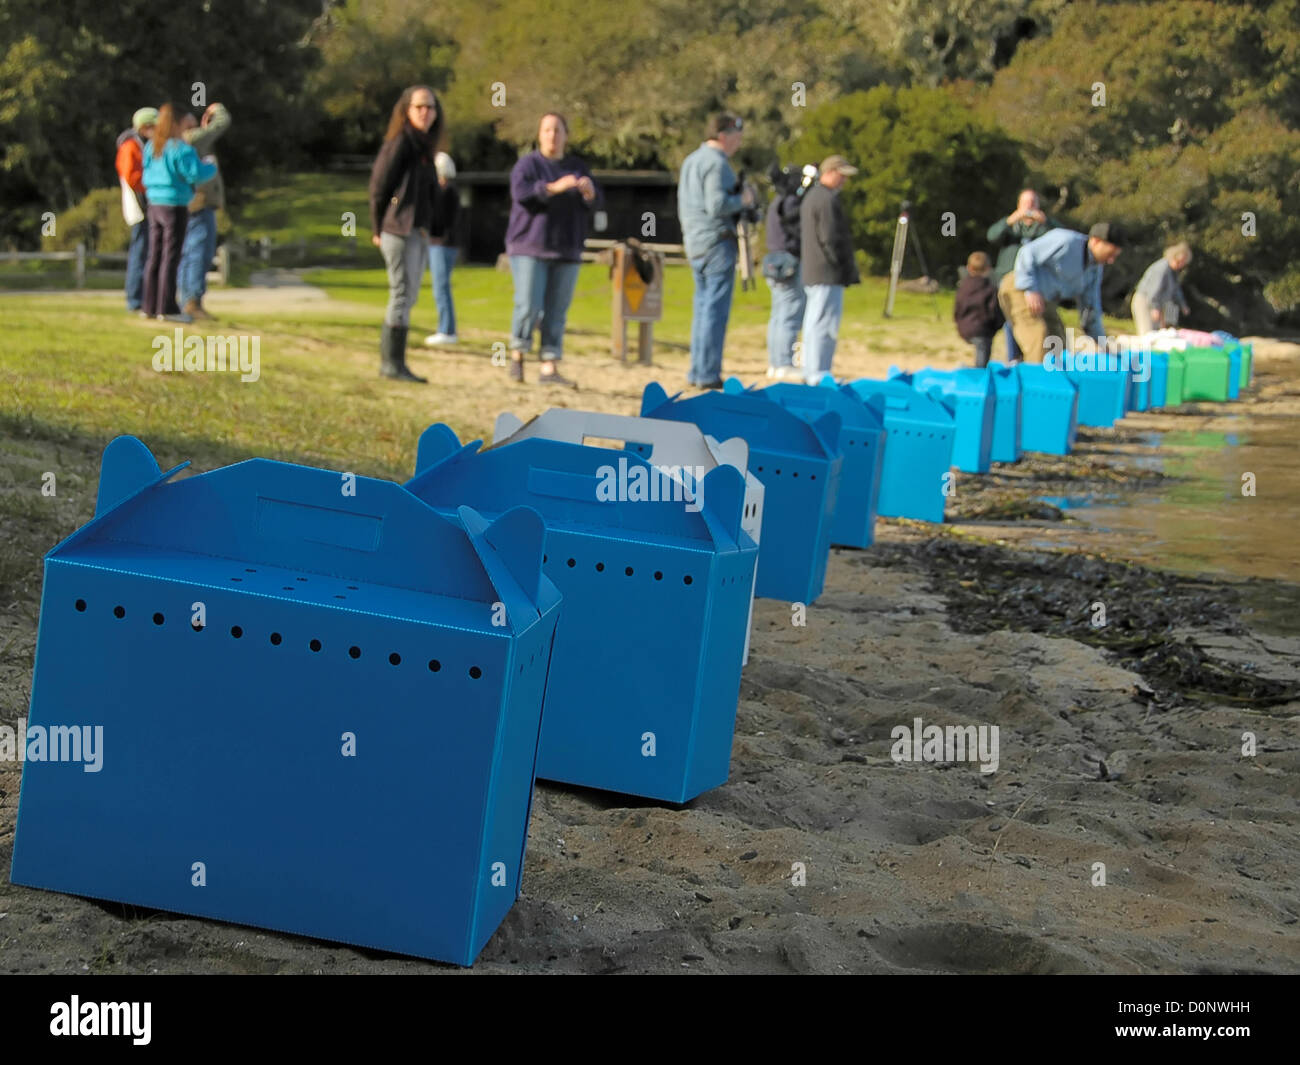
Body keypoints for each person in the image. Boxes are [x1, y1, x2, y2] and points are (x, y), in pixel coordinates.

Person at [504, 112, 600, 386]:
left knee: (557, 310)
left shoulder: (577, 166)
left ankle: (549, 365)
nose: (552, 135)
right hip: (529, 246)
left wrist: (589, 193)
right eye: (547, 129)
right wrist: (554, 188)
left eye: (558, 130)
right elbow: (522, 195)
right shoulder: (527, 165)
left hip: (567, 249)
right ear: (539, 134)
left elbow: (596, 202)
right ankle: (518, 355)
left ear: (566, 135)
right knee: (529, 304)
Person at [369, 85, 443, 383]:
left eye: (431, 107)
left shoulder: (426, 147)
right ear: (407, 110)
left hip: (417, 230)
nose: (426, 112)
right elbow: (378, 187)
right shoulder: (401, 143)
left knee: (409, 294)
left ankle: (397, 363)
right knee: (400, 292)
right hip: (396, 229)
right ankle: (391, 364)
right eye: (419, 107)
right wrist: (377, 228)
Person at [678, 112, 755, 389]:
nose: (739, 143)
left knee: (702, 309)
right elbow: (717, 205)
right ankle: (708, 374)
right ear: (723, 136)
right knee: (715, 310)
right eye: (737, 137)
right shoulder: (717, 163)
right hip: (716, 241)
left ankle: (697, 371)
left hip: (695, 242)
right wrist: (743, 199)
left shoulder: (691, 161)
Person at [997, 222, 1125, 361]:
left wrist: (1102, 343)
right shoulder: (1066, 241)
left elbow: (1090, 308)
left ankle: (1055, 379)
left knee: (1058, 344)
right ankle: (1035, 381)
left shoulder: (1095, 269)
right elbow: (1027, 252)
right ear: (1096, 241)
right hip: (1019, 288)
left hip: (1045, 298)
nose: (1111, 260)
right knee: (1038, 339)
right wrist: (1030, 289)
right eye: (1110, 253)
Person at [141, 104, 216, 323]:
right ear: (176, 124)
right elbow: (194, 174)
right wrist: (210, 166)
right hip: (175, 205)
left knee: (154, 255)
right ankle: (168, 308)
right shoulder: (180, 148)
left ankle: (150, 306)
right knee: (171, 256)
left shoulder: (151, 146)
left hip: (154, 204)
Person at [799, 155, 860, 384]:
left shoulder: (813, 196)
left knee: (815, 321)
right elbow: (830, 238)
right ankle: (817, 372)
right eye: (842, 175)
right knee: (823, 324)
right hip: (826, 270)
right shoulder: (825, 199)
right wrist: (843, 266)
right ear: (831, 172)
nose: (844, 181)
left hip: (815, 269)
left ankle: (812, 370)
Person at [986, 189, 1056, 362]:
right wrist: (1012, 219)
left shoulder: (1045, 228)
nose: (1029, 207)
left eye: (1033, 203)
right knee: (1012, 321)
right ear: (1018, 205)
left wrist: (1045, 223)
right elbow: (992, 236)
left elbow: (1062, 239)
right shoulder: (1011, 227)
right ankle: (1013, 358)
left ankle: (1030, 358)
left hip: (1036, 284)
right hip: (1008, 281)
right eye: (1026, 203)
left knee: (1034, 322)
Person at [176, 102, 231, 320]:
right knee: (200, 251)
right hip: (200, 203)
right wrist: (217, 110)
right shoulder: (193, 139)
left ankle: (186, 299)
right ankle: (192, 301)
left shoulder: (178, 142)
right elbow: (221, 124)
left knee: (188, 253)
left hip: (190, 203)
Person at [763, 164, 811, 378]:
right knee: (790, 314)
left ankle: (775, 362)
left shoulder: (776, 202)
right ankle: (783, 362)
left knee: (778, 314)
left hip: (773, 259)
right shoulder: (790, 202)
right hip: (788, 260)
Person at [115, 107, 157, 314]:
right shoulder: (130, 146)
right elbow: (131, 175)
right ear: (144, 127)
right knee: (140, 252)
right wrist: (154, 182)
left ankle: (142, 297)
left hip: (147, 203)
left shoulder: (142, 144)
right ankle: (134, 299)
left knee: (145, 252)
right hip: (140, 206)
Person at [423, 151, 460, 347]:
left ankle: (446, 329)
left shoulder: (448, 191)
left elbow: (448, 220)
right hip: (443, 244)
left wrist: (438, 237)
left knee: (441, 287)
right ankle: (448, 328)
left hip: (443, 245)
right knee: (442, 286)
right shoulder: (446, 190)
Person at [954, 251, 1004, 368]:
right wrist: (998, 325)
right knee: (983, 347)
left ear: (968, 268)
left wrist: (959, 322)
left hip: (964, 326)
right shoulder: (990, 288)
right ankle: (979, 371)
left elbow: (958, 307)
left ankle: (975, 368)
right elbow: (993, 311)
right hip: (982, 329)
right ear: (988, 269)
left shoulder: (963, 286)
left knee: (980, 343)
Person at [1132, 242, 1192, 333]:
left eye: (1183, 263)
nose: (1180, 265)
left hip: (1159, 304)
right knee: (1148, 334)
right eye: (1179, 261)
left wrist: (1183, 305)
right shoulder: (1162, 268)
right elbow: (1154, 290)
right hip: (1146, 301)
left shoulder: (1173, 272)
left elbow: (1176, 291)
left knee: (1160, 334)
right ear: (1173, 256)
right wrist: (1154, 307)